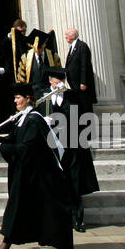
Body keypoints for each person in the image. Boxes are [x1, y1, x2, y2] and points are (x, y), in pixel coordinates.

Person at [0, 83, 77, 249]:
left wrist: (0, 147)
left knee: (42, 213)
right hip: (29, 176)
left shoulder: (34, 120)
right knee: (22, 212)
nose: (15, 101)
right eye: (14, 98)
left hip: (41, 178)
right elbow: (15, 138)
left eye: (18, 97)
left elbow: (25, 148)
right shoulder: (23, 119)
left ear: (28, 99)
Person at [46, 70, 99, 232]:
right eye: (56, 82)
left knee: (74, 181)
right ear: (50, 82)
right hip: (54, 148)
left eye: (61, 82)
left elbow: (83, 120)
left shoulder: (73, 96)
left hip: (73, 145)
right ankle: (60, 218)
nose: (58, 85)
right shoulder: (45, 100)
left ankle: (77, 219)